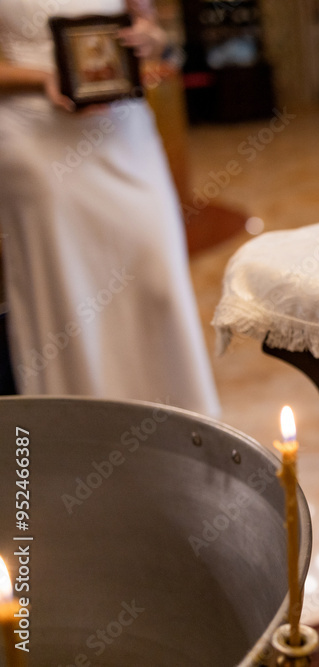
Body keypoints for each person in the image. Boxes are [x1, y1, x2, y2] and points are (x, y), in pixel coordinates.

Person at [0, 0, 221, 416]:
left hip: (122, 128)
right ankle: (82, 433)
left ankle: (178, 427)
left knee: (156, 275)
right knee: (70, 293)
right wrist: (45, 77)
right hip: (35, 135)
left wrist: (148, 40)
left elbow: (152, 30)